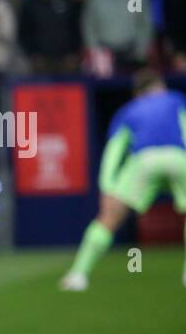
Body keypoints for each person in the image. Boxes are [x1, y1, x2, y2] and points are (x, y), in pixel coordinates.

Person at [61, 71, 186, 291]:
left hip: (144, 160)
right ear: (160, 86)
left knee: (109, 218)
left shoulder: (127, 111)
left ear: (138, 92)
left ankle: (78, 275)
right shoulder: (176, 99)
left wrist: (107, 187)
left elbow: (114, 150)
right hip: (178, 158)